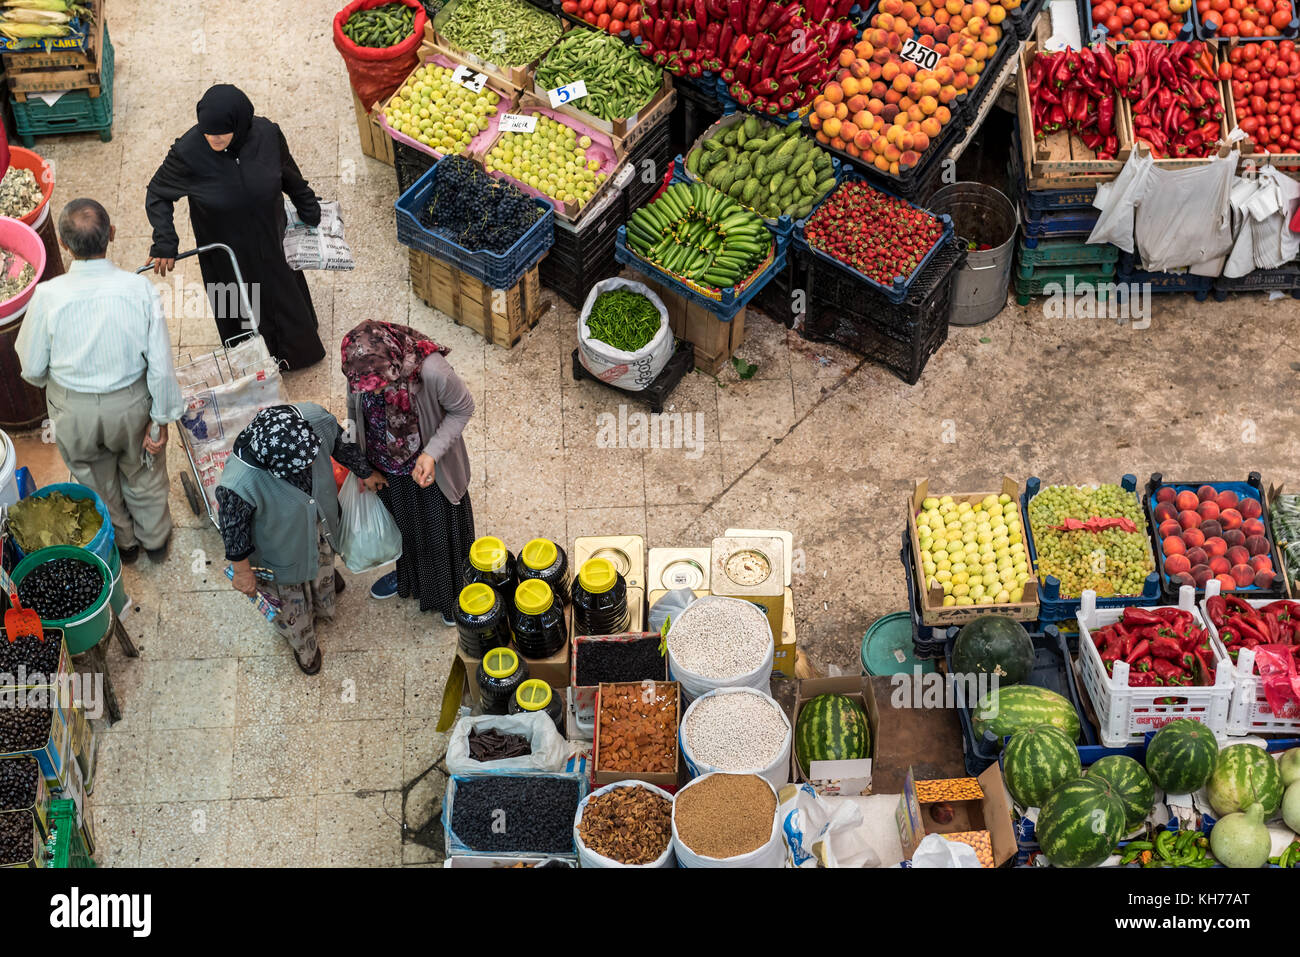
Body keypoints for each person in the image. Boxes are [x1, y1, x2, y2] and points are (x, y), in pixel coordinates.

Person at [16, 199, 182, 564]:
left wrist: (63, 387)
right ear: (112, 234)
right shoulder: (139, 290)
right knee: (144, 473)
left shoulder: (47, 296)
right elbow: (160, 365)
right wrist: (161, 418)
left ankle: (125, 545)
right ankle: (155, 542)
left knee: (94, 478)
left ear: (62, 244)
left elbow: (30, 367)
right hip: (131, 406)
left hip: (72, 410)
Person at [144, 84, 326, 369]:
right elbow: (158, 194)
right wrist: (165, 240)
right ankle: (254, 365)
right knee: (238, 305)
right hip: (225, 249)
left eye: (221, 132)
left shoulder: (267, 134)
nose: (213, 138)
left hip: (271, 237)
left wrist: (308, 207)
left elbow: (289, 174)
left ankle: (297, 355)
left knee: (283, 294)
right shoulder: (188, 152)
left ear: (240, 124)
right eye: (208, 132)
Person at [216, 404, 384, 673]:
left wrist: (365, 471)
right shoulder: (239, 483)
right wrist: (242, 571)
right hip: (279, 552)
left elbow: (341, 445)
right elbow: (233, 529)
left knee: (323, 563)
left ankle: (324, 597)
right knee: (291, 606)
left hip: (317, 527)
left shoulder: (314, 420)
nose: (309, 467)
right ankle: (306, 650)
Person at [341, 321, 476, 625]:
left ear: (393, 362)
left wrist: (431, 454)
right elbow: (353, 414)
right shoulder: (359, 373)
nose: (371, 390)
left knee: (439, 535)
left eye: (378, 383)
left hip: (431, 471)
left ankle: (451, 593)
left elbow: (463, 408)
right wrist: (362, 467)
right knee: (403, 529)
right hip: (386, 469)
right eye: (365, 386)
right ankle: (410, 578)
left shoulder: (433, 372)